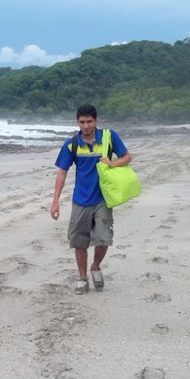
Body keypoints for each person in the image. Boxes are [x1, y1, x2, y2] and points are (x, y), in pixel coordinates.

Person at [50, 104, 132, 294]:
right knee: (79, 241)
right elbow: (62, 172)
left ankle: (95, 267)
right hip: (81, 199)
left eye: (89, 121)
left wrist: (113, 163)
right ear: (77, 122)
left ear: (96, 120)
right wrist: (55, 201)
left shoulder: (109, 137)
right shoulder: (72, 144)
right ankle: (82, 277)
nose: (86, 126)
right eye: (82, 122)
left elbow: (127, 157)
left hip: (103, 198)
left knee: (103, 239)